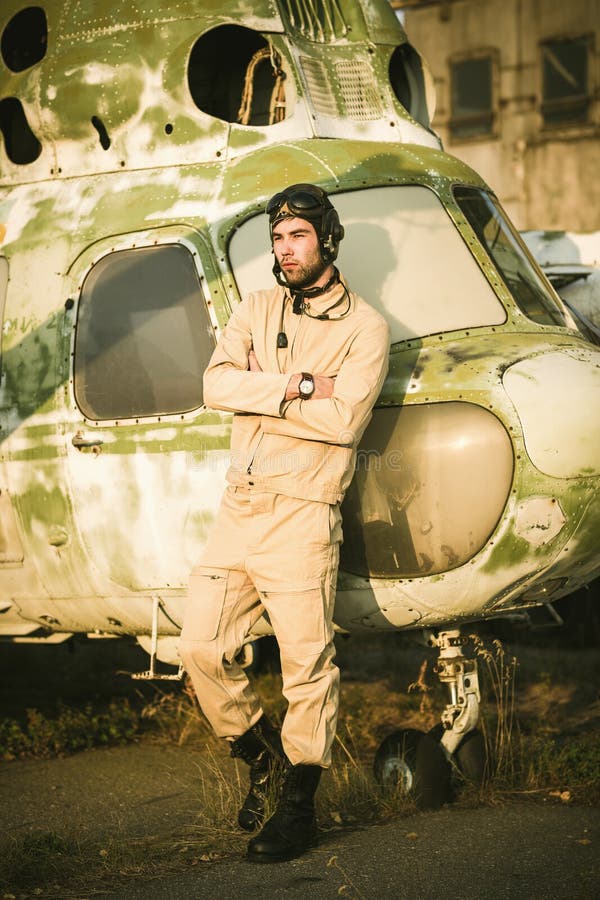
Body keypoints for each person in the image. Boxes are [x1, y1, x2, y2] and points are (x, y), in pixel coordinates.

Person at [178, 183, 389, 864]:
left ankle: (299, 807)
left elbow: (345, 421)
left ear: (327, 240)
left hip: (302, 512)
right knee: (199, 647)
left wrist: (258, 391)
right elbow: (214, 386)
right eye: (277, 238)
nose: (285, 249)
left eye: (298, 236)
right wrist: (298, 385)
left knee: (306, 666)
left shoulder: (365, 328)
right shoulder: (257, 306)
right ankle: (262, 757)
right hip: (239, 506)